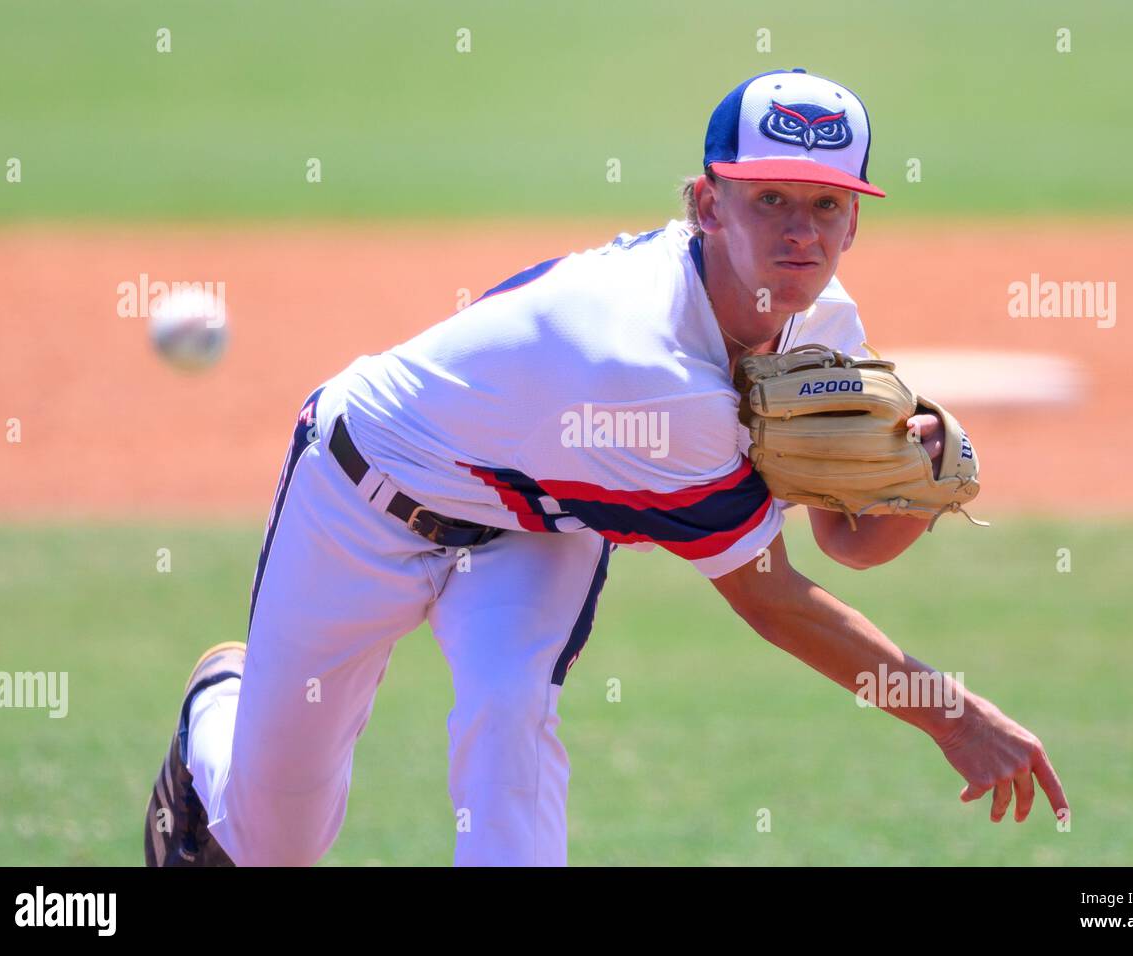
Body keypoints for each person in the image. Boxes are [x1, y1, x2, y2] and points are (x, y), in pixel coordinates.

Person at [145, 68, 1067, 868]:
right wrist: (954, 716)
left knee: (511, 714)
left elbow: (849, 541)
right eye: (770, 198)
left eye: (827, 203)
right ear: (708, 204)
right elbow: (772, 599)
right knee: (273, 843)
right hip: (365, 493)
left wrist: (926, 470)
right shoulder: (645, 368)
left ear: (855, 222)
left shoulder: (823, 326)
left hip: (533, 524)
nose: (802, 231)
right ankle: (215, 714)